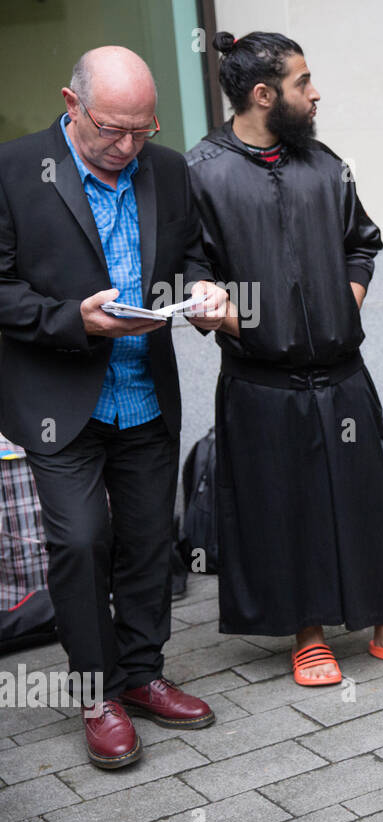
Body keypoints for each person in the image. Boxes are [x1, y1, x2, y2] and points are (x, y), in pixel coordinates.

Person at [185, 31, 383, 686]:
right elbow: (188, 265)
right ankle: (306, 634)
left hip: (341, 374)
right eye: (304, 83)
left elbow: (364, 241)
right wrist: (206, 298)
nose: (316, 92)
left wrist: (348, 300)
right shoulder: (200, 173)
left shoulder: (328, 165)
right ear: (263, 94)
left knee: (360, 498)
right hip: (259, 380)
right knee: (283, 504)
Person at [0, 47, 230, 769]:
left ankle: (142, 675)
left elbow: (192, 252)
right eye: (111, 129)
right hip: (58, 402)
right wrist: (77, 319)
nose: (128, 146)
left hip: (143, 393)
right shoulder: (14, 169)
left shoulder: (166, 169)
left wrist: (206, 292)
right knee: (79, 542)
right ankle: (96, 694)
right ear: (71, 103)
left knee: (146, 543)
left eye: (142, 129)